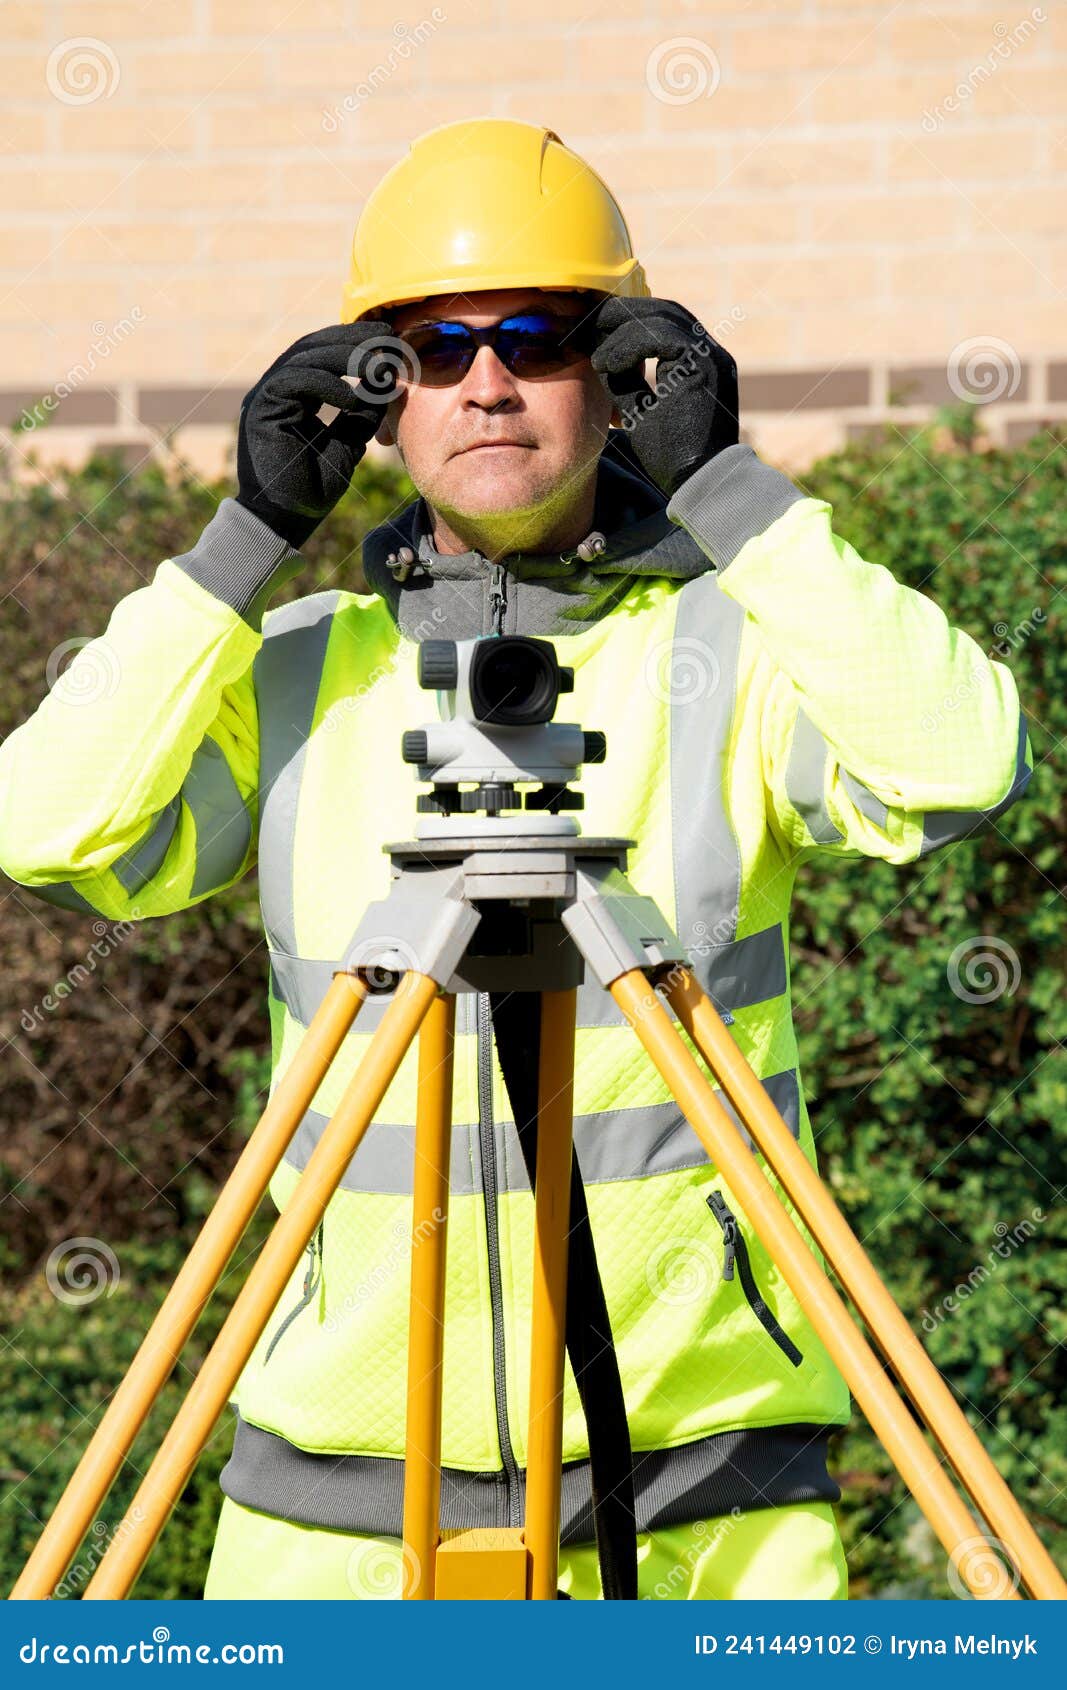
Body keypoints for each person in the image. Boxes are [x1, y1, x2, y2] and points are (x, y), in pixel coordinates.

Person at [0, 118, 1032, 1602]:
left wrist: (730, 494)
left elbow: (959, 759)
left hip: (702, 1504)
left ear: (617, 380)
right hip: (327, 1519)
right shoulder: (290, 672)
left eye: (540, 337)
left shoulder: (729, 657)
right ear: (376, 400)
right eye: (427, 347)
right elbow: (45, 821)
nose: (485, 380)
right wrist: (243, 541)